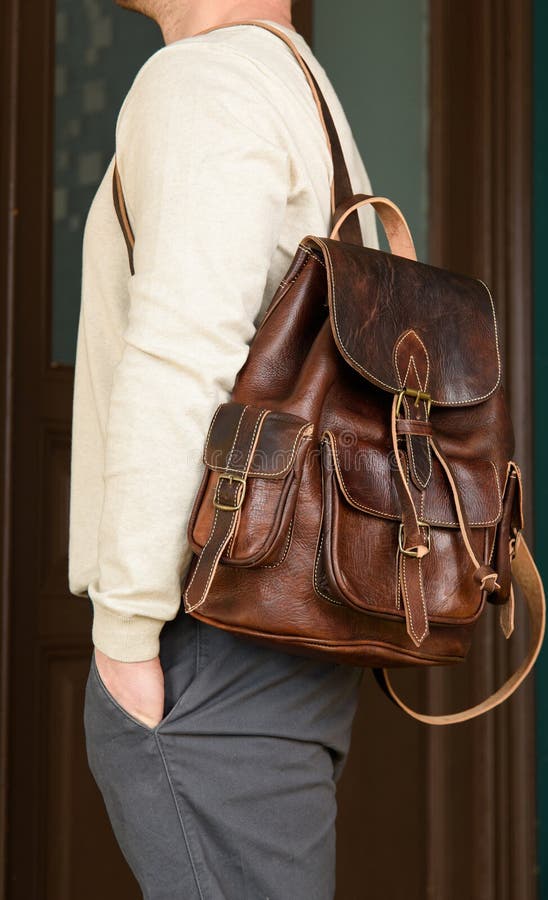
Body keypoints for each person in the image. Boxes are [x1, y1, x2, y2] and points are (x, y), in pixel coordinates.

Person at [68, 1, 379, 897]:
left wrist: (126, 634)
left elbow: (181, 358)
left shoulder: (203, 80)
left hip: (209, 624)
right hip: (291, 614)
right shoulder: (296, 81)